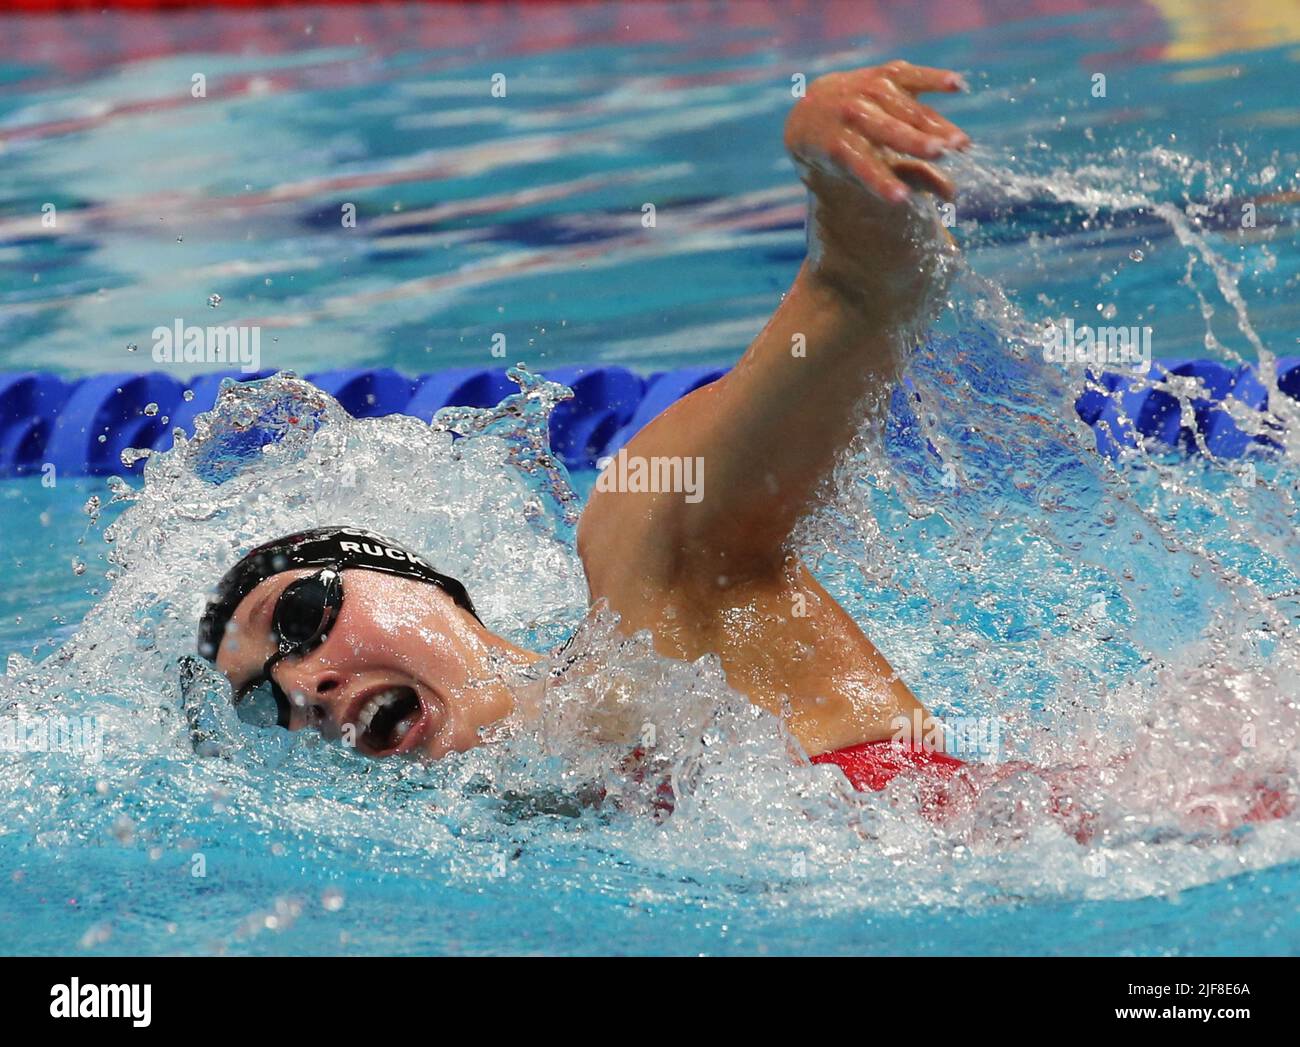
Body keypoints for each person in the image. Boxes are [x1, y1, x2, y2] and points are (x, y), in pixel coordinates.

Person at [198, 60, 978, 795]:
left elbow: (863, 294)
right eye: (265, 704)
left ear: (417, 581)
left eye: (300, 619)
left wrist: (841, 176)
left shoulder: (651, 567)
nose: (303, 685)